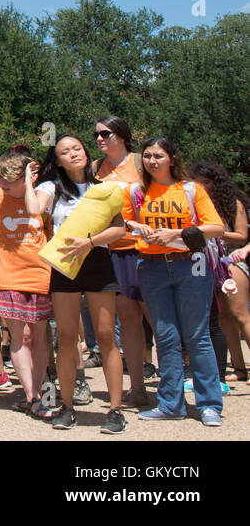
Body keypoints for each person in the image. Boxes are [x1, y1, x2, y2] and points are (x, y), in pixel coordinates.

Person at [31, 135, 128, 434]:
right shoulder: (52, 189)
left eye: (77, 148)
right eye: (65, 151)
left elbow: (119, 229)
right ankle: (68, 407)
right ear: (57, 160)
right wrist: (27, 177)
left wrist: (89, 242)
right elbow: (35, 210)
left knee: (105, 336)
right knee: (67, 338)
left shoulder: (103, 187)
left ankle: (115, 410)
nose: (74, 154)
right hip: (64, 266)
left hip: (96, 261)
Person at [125, 137, 225, 426]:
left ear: (172, 158)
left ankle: (209, 404)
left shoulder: (191, 190)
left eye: (158, 155)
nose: (152, 161)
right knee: (165, 338)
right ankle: (171, 404)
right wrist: (136, 225)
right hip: (151, 267)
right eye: (147, 156)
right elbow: (124, 221)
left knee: (197, 336)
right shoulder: (135, 191)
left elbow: (216, 227)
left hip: (191, 265)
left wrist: (177, 234)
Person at [0, 152, 55, 418]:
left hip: (40, 274)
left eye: (11, 180)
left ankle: (37, 392)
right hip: (7, 275)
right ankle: (32, 395)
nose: (3, 184)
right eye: (1, 178)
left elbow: (51, 230)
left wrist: (31, 186)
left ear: (28, 178)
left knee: (39, 336)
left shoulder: (43, 199)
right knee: (19, 338)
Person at [92, 115, 154, 407]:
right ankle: (137, 387)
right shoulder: (96, 168)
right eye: (97, 135)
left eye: (106, 133)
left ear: (122, 135)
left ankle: (171, 385)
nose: (100, 139)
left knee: (158, 319)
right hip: (112, 251)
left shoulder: (142, 163)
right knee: (128, 320)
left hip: (147, 249)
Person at [190, 161, 250, 383]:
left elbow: (242, 235)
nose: (202, 187)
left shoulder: (232, 202)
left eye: (206, 182)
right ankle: (239, 367)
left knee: (240, 315)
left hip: (233, 260)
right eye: (198, 183)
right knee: (223, 317)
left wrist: (215, 233)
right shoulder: (198, 204)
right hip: (209, 262)